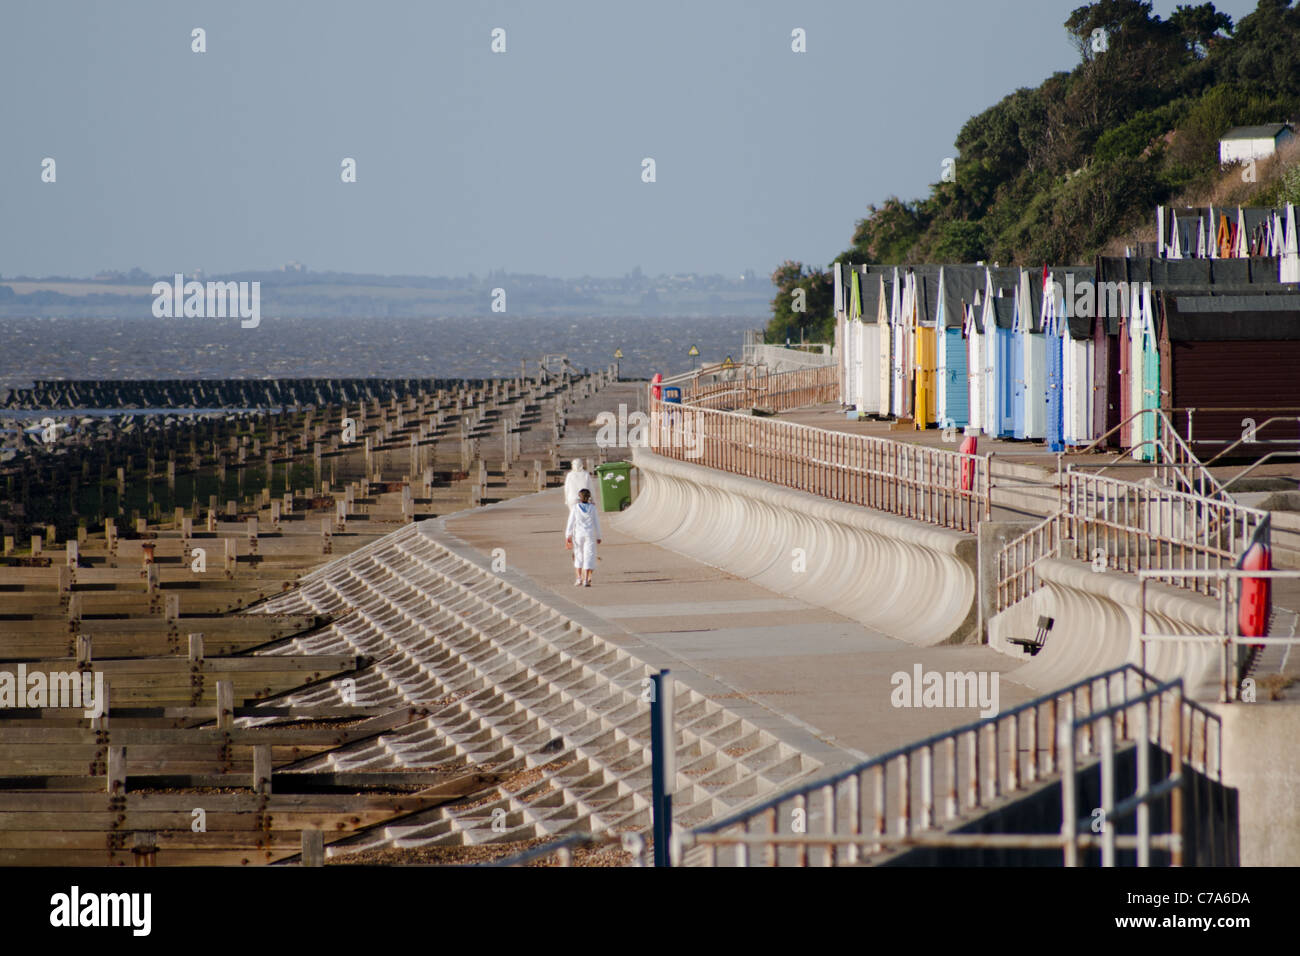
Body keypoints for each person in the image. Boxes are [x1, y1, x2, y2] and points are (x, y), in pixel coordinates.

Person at [565, 487, 602, 587]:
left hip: (578, 535)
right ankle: (586, 580)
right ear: (589, 497)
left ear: (579, 497)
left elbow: (571, 522)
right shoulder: (593, 508)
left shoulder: (575, 507)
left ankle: (578, 579)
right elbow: (596, 523)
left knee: (578, 555)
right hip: (589, 534)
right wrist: (599, 536)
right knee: (589, 555)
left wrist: (568, 535)